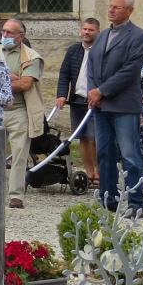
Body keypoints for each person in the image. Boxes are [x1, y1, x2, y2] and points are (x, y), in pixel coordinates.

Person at [86, 0, 143, 213]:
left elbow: (130, 70)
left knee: (129, 155)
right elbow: (92, 65)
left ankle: (135, 204)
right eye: (110, 6)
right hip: (101, 105)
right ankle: (108, 200)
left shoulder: (139, 36)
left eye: (117, 7)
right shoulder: (102, 36)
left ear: (129, 11)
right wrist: (93, 91)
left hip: (123, 104)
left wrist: (101, 91)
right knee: (104, 153)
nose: (111, 10)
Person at [0, 19, 45, 209]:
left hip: (19, 111)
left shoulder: (31, 56)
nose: (5, 35)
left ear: (21, 36)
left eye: (10, 32)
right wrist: (10, 79)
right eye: (4, 31)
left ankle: (16, 196)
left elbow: (25, 84)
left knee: (19, 155)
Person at [55, 18, 101, 186]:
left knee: (95, 138)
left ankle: (99, 173)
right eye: (84, 29)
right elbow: (64, 74)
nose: (86, 32)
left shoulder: (102, 51)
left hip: (95, 101)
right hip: (77, 100)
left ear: (98, 32)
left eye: (91, 30)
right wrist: (61, 94)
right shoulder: (73, 50)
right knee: (82, 138)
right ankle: (89, 173)